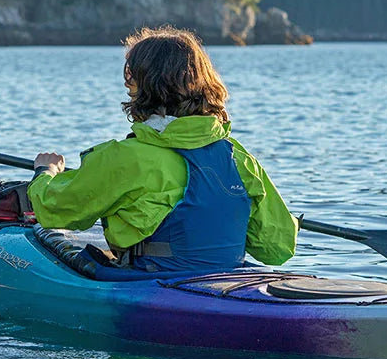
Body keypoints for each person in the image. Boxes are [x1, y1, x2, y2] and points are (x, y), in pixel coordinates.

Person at [28, 26, 297, 272]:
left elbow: (55, 210)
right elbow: (278, 248)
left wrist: (45, 173)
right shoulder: (240, 158)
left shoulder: (127, 157)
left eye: (130, 76)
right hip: (224, 284)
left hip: (151, 287)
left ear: (140, 86)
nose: (126, 84)